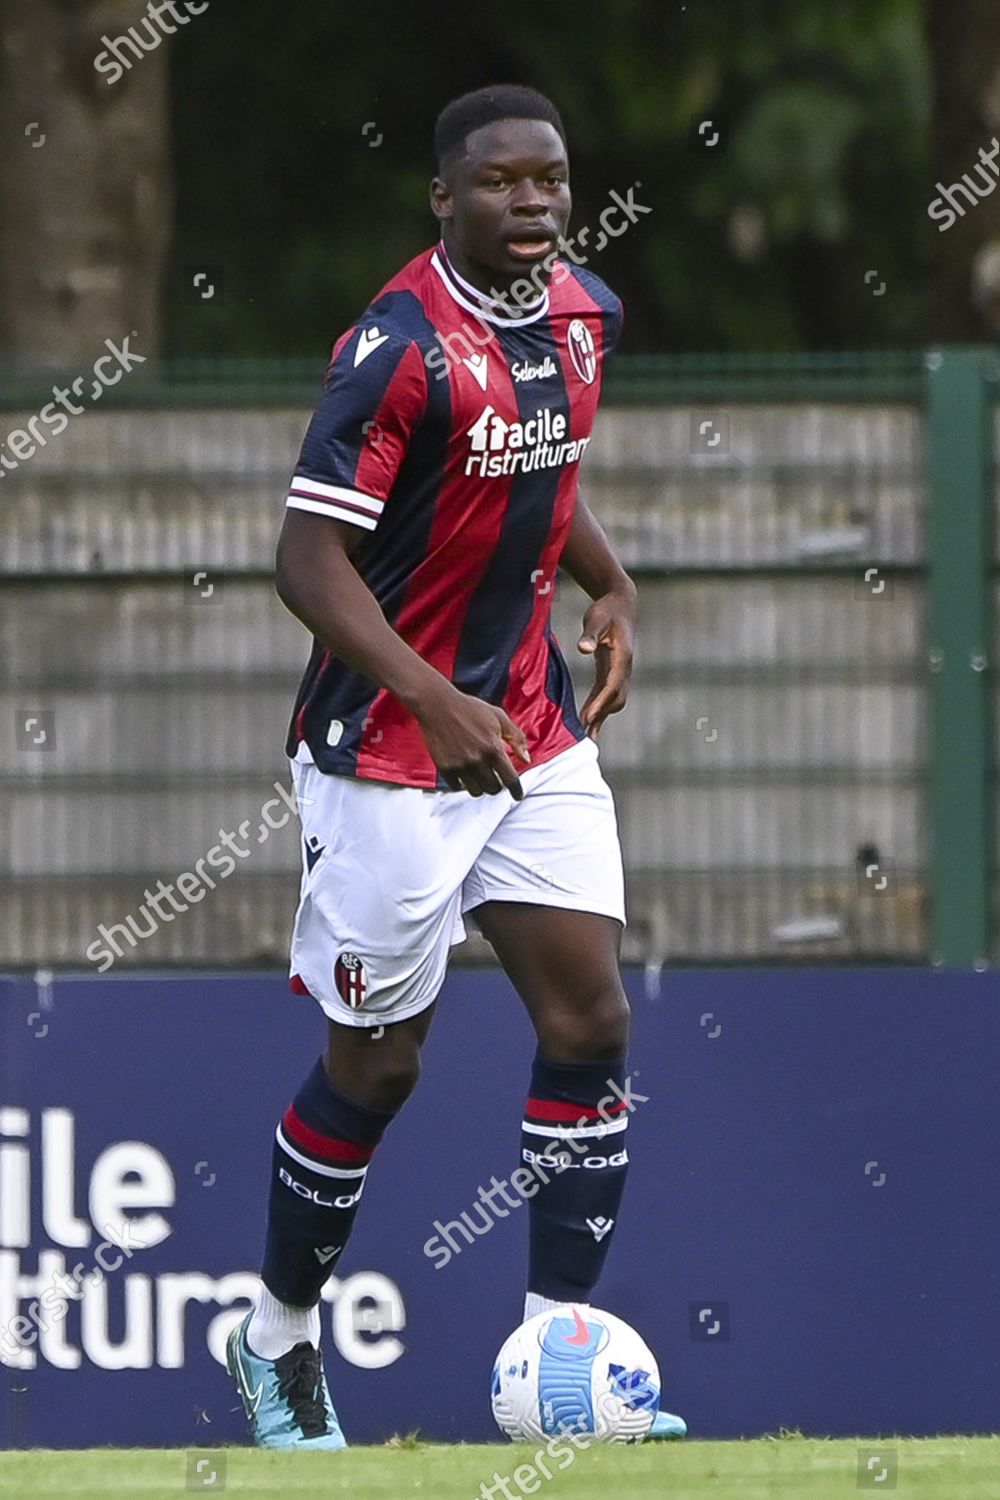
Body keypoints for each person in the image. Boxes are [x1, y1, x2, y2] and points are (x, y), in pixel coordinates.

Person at [226, 81, 686, 1449]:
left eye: (548, 179)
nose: (530, 202)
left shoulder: (584, 315)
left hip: (531, 732)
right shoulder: (394, 347)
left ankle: (560, 1361)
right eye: (498, 182)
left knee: (592, 1018)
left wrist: (611, 588)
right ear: (445, 197)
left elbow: (543, 477)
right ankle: (280, 1346)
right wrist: (427, 698)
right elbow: (305, 561)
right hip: (386, 753)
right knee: (379, 1064)